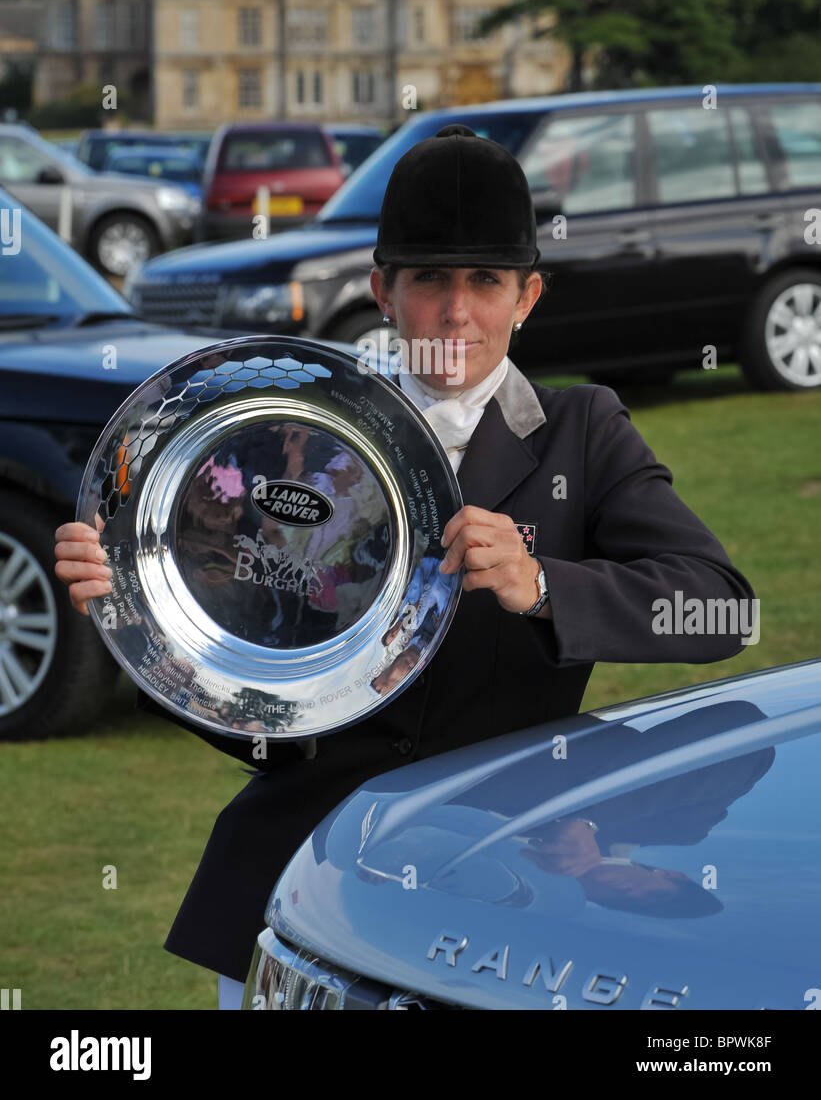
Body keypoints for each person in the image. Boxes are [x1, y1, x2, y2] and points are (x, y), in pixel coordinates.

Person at [53, 123, 756, 1008]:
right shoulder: (291, 436)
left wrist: (546, 587)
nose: (456, 313)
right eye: (428, 279)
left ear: (527, 296)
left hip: (499, 872)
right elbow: (257, 701)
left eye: (485, 282)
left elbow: (722, 613)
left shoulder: (586, 429)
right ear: (383, 291)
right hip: (299, 869)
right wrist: (135, 610)